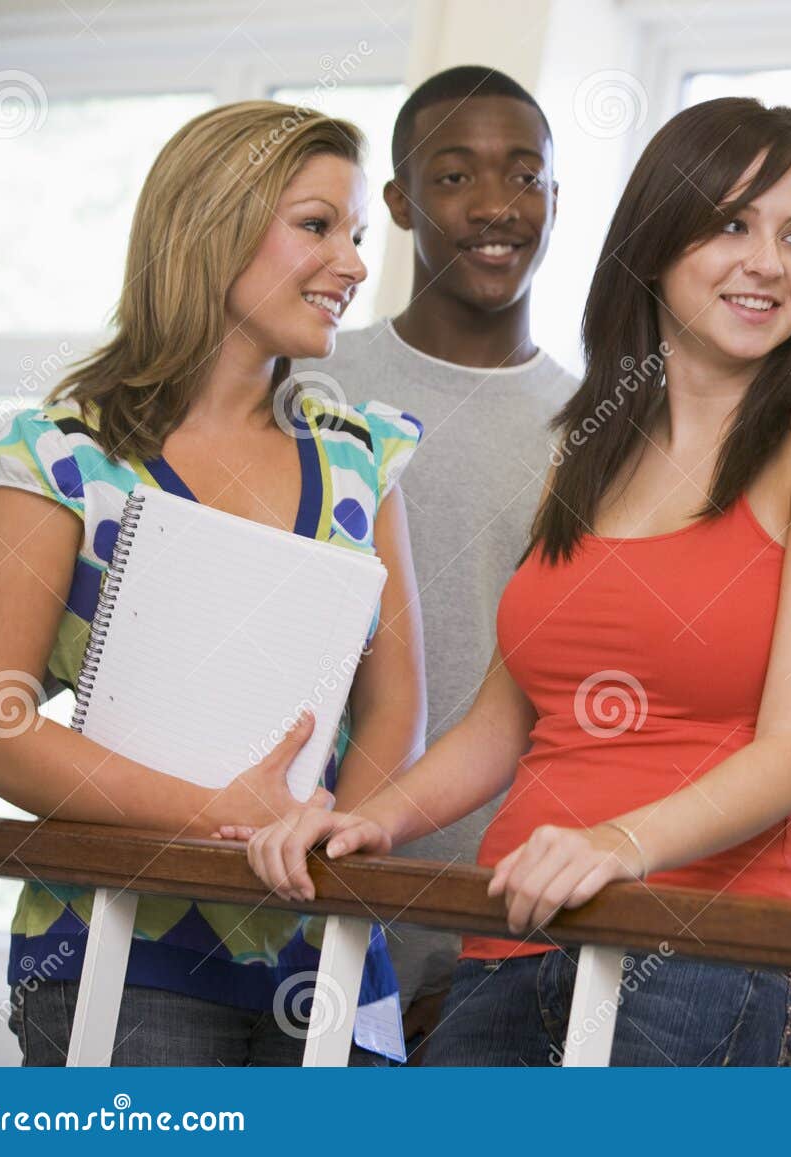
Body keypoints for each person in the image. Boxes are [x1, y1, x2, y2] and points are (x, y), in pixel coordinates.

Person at [240, 96, 791, 1066]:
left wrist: (616, 843)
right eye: (732, 222)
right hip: (508, 936)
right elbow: (503, 723)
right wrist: (369, 816)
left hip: (697, 955)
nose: (769, 261)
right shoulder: (585, 449)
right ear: (657, 236)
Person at [0, 101, 425, 1066]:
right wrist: (223, 818)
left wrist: (339, 832)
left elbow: (393, 707)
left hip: (327, 948)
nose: (352, 263)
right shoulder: (59, 455)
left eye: (357, 235)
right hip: (120, 955)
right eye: (317, 225)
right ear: (212, 225)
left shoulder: (358, 457)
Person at [286, 66, 578, 1053]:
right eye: (454, 177)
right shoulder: (309, 379)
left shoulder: (601, 428)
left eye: (524, 175)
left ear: (554, 199)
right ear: (401, 204)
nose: (496, 205)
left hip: (509, 910)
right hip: (308, 883)